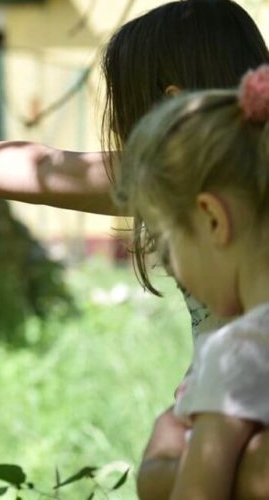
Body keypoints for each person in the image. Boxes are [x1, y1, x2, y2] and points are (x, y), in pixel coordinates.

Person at [0, 0, 269, 497]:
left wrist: (167, 457)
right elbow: (42, 167)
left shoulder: (178, 177)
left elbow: (47, 170)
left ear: (172, 107)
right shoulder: (226, 175)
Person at [112, 67, 269, 498]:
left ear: (213, 219)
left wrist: (164, 461)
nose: (173, 266)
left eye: (167, 245)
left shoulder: (242, 349)